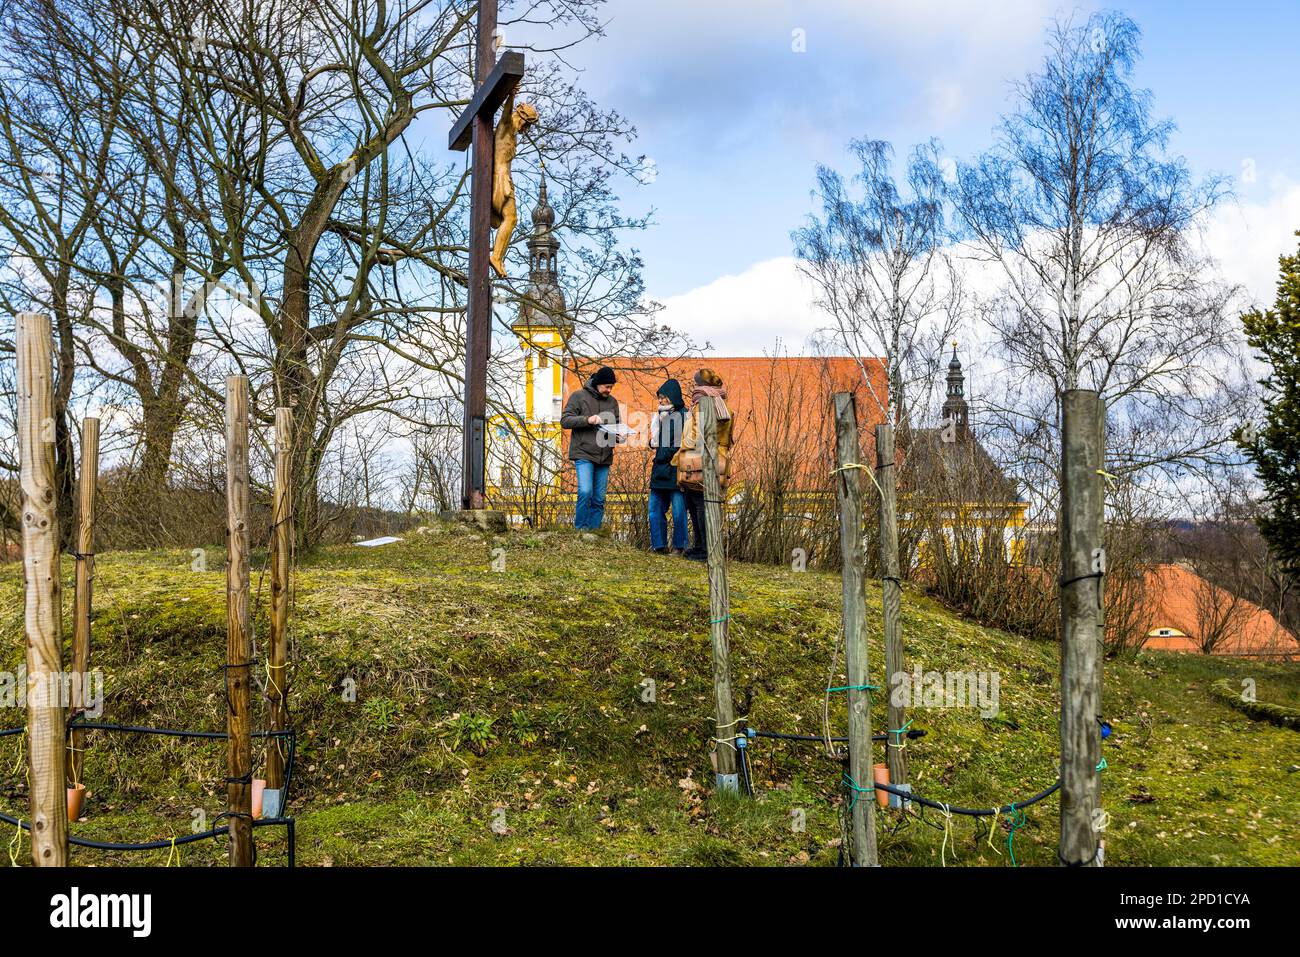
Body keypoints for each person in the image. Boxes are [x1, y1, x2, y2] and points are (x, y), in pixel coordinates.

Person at [672, 368, 734, 561]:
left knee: (701, 504)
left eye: (694, 383)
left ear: (700, 385)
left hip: (703, 458)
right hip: (710, 456)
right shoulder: (718, 404)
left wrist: (682, 452)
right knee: (693, 502)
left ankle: (706, 548)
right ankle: (700, 546)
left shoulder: (706, 404)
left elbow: (698, 435)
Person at [560, 365, 621, 530]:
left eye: (611, 387)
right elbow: (565, 421)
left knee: (599, 499)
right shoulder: (579, 396)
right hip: (584, 453)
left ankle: (594, 533)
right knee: (586, 492)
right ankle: (581, 530)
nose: (609, 390)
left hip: (605, 456)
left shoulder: (613, 402)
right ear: (597, 383)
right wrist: (588, 420)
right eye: (607, 386)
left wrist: (618, 436)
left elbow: (616, 425)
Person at [648, 379, 689, 555]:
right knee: (654, 509)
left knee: (679, 511)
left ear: (672, 396)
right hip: (660, 471)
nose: (661, 401)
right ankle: (659, 545)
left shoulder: (685, 416)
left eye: (664, 397)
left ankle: (679, 547)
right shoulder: (659, 416)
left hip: (676, 469)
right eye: (659, 398)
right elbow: (657, 441)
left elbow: (681, 444)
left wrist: (662, 453)